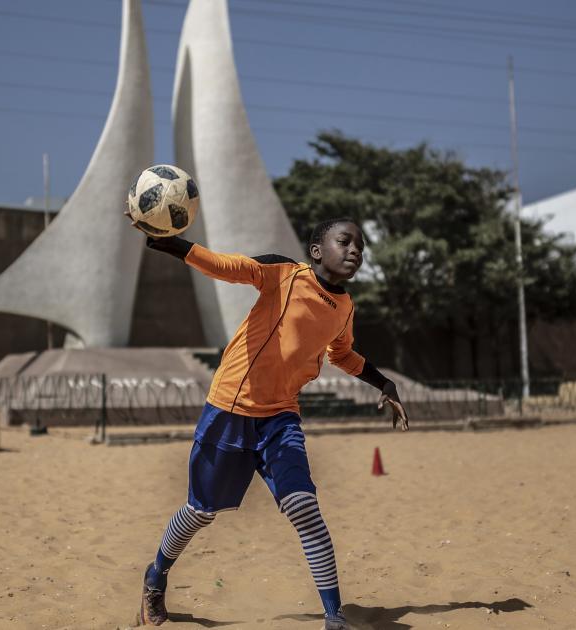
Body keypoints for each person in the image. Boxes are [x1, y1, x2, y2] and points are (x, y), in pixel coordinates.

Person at [130, 216, 409, 629]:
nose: (355, 251)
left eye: (360, 246)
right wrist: (171, 244)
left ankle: (334, 617)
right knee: (200, 511)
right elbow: (227, 267)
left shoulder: (345, 306)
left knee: (304, 508)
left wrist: (383, 382)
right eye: (345, 241)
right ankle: (156, 577)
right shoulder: (283, 274)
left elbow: (343, 355)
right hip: (230, 409)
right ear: (317, 251)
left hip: (281, 417)